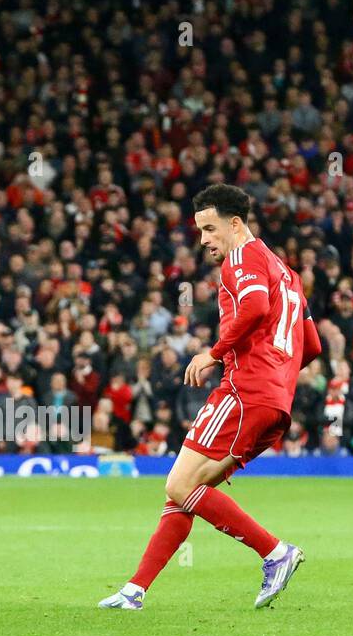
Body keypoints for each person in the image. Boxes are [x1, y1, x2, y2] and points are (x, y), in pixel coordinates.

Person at [99, 184, 321, 611]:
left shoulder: (243, 257)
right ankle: (135, 590)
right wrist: (277, 377)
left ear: (235, 224)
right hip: (274, 402)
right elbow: (310, 345)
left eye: (209, 229)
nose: (203, 239)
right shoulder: (287, 273)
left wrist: (214, 354)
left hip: (243, 392)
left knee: (179, 484)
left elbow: (255, 308)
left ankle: (275, 552)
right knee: (187, 491)